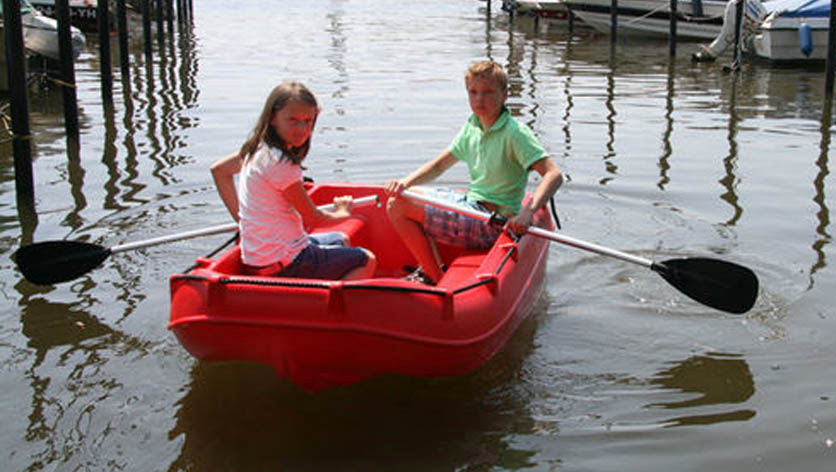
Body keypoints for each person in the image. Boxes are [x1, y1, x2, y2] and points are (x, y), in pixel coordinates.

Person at [385, 60, 563, 285]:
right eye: (474, 92)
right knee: (403, 196)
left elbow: (553, 174)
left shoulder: (515, 133)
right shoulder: (473, 125)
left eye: (488, 92)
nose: (479, 100)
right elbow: (440, 165)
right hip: (471, 205)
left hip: (491, 222)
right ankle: (434, 269)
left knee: (398, 207)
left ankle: (434, 279)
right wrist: (405, 182)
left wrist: (529, 211)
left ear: (504, 94)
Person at [211, 81, 376, 280]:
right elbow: (314, 219)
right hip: (285, 263)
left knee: (342, 239)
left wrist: (244, 222)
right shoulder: (281, 163)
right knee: (367, 259)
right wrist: (343, 212)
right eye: (293, 120)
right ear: (272, 117)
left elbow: (219, 171)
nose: (302, 129)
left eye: (308, 121)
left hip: (261, 257)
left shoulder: (256, 149)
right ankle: (327, 308)